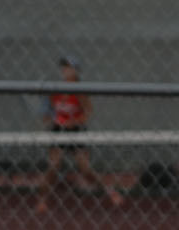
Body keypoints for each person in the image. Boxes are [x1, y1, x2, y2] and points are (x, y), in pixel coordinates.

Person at [36, 54, 124, 213]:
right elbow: (48, 113)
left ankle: (110, 191)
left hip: (76, 131)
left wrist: (73, 122)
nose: (65, 70)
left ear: (76, 71)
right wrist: (52, 119)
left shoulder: (79, 90)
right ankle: (42, 201)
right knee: (53, 167)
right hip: (59, 130)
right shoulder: (56, 89)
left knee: (85, 170)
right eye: (64, 67)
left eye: (69, 67)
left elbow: (87, 112)